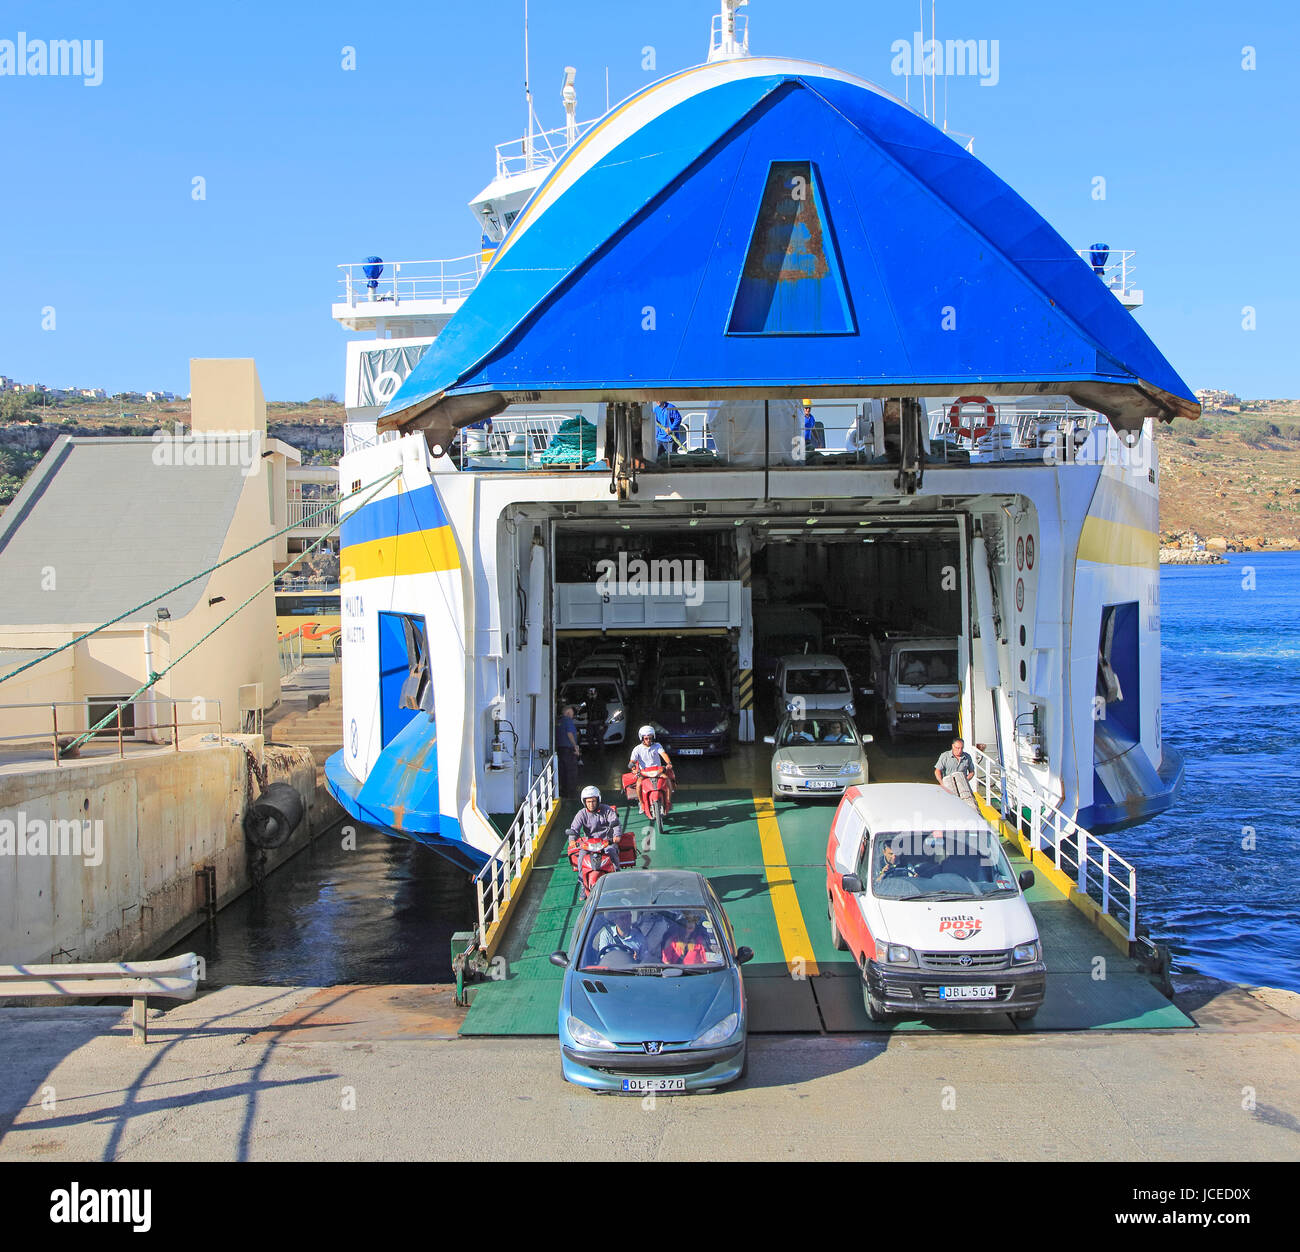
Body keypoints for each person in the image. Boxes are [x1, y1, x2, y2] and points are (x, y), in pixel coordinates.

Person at [566, 785, 623, 887]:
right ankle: (583, 884)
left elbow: (616, 823)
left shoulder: (607, 810)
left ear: (598, 800)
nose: (591, 804)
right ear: (584, 802)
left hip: (606, 842)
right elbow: (574, 828)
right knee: (581, 858)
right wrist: (572, 840)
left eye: (593, 801)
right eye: (588, 802)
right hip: (589, 844)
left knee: (612, 852)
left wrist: (616, 835)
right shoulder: (581, 814)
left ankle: (617, 876)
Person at [934, 738, 978, 807]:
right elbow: (937, 771)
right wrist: (942, 783)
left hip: (963, 785)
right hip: (948, 785)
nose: (960, 750)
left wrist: (965, 780)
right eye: (957, 748)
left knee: (968, 805)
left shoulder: (967, 757)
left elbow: (971, 772)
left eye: (961, 748)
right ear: (953, 746)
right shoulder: (945, 756)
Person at [557, 705, 581, 798]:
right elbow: (569, 733)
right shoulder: (568, 721)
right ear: (568, 713)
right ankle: (571, 793)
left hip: (561, 749)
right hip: (568, 749)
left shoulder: (559, 721)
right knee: (571, 771)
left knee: (563, 771)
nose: (573, 715)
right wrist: (575, 746)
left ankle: (564, 791)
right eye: (572, 713)